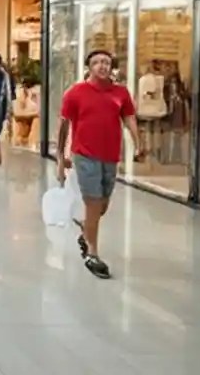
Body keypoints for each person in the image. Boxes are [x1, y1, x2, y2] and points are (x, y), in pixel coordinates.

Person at [56, 49, 137, 279]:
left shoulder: (120, 93)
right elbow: (63, 125)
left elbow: (128, 116)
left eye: (106, 62)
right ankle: (92, 252)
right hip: (84, 155)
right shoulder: (75, 93)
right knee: (93, 203)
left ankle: (85, 229)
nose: (102, 66)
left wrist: (137, 140)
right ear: (88, 67)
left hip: (110, 156)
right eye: (97, 62)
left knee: (102, 206)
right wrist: (60, 158)